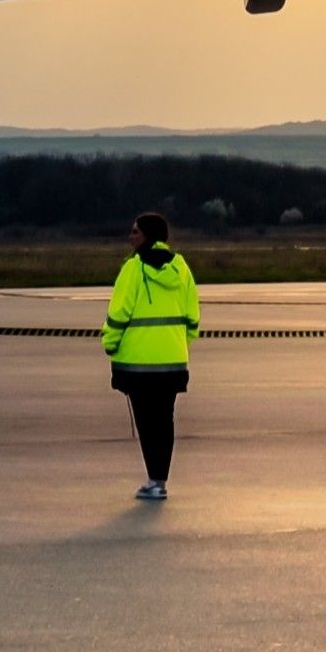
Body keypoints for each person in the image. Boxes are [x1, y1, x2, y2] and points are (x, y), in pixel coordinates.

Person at [104, 210, 200, 501]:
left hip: (138, 364)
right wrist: (178, 343)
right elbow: (193, 317)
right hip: (172, 362)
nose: (130, 237)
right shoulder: (181, 267)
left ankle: (154, 480)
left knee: (147, 424)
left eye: (135, 231)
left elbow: (119, 312)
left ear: (147, 235)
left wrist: (110, 343)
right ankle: (160, 480)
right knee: (165, 421)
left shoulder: (133, 268)